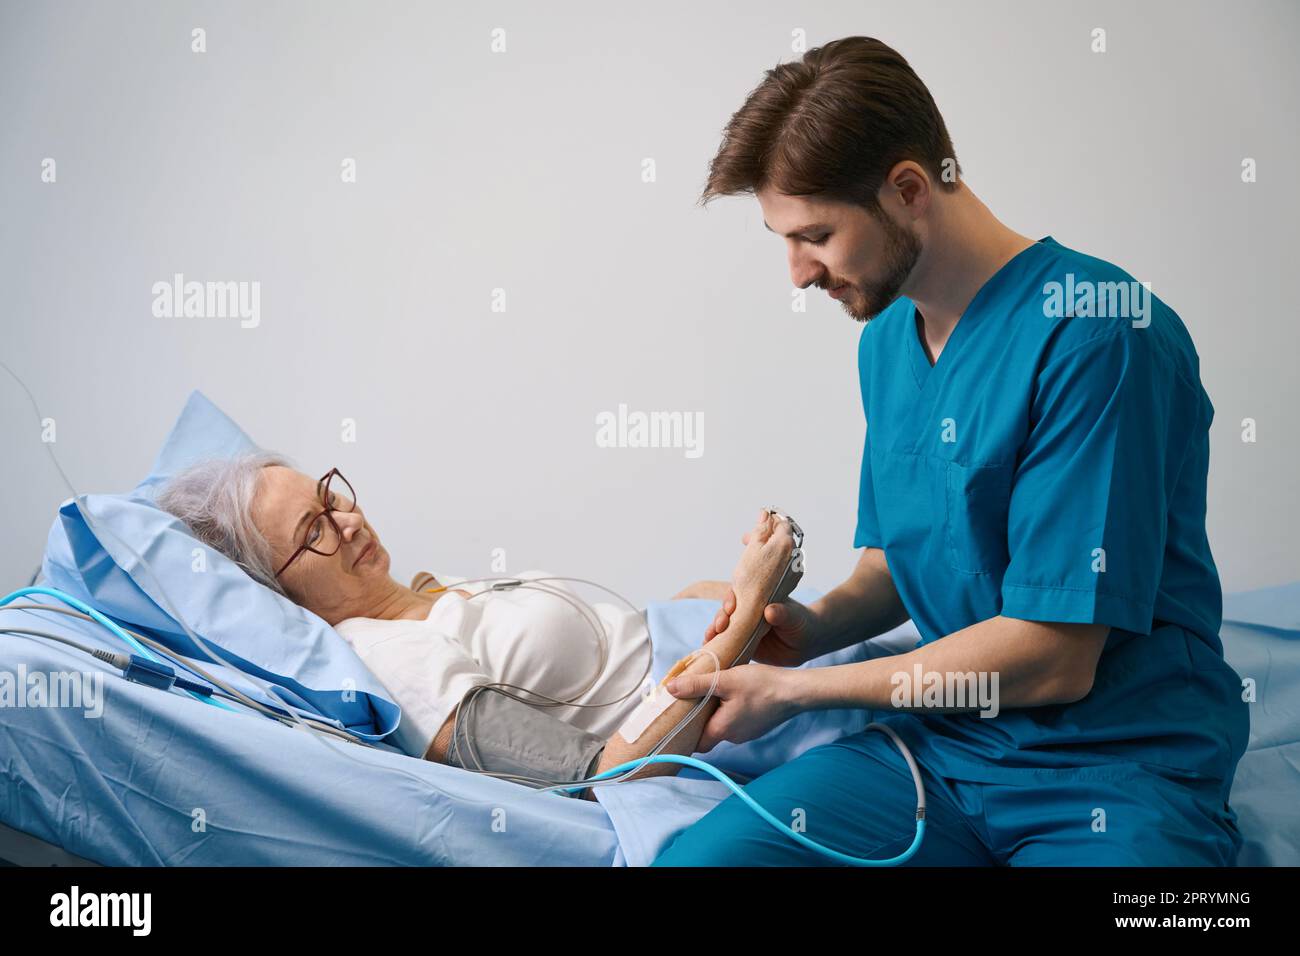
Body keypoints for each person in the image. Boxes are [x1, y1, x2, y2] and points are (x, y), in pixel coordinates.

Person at [651, 36, 1249, 866]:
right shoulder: (888, 339)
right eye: (780, 238)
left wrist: (795, 693)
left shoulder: (1101, 334)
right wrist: (809, 627)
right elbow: (901, 559)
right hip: (950, 754)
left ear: (907, 189)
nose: (796, 273)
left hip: (1118, 769)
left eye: (815, 234)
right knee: (701, 863)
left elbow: (1054, 656)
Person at [155, 452, 797, 800]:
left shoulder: (427, 597)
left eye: (329, 497)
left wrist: (706, 600)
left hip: (765, 654)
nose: (346, 521)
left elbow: (616, 642)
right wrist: (743, 610)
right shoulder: (399, 667)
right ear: (277, 592)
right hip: (751, 727)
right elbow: (605, 775)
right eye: (313, 531)